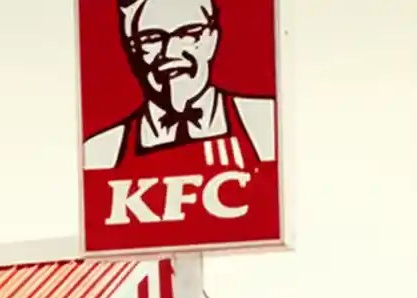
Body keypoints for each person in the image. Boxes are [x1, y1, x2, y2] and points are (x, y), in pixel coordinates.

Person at [82, 0, 277, 172]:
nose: (170, 52)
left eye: (188, 33)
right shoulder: (102, 153)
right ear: (133, 51)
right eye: (152, 38)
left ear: (212, 40)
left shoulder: (266, 123)